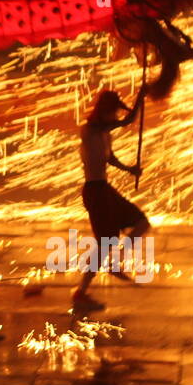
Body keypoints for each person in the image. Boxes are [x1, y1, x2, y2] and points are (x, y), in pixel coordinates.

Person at [72, 88, 151, 312]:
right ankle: (81, 292)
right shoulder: (89, 129)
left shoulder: (105, 132)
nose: (116, 115)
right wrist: (140, 97)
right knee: (105, 244)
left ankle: (115, 260)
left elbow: (110, 157)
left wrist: (130, 169)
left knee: (141, 223)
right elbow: (129, 119)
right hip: (95, 192)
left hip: (104, 189)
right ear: (105, 110)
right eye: (114, 111)